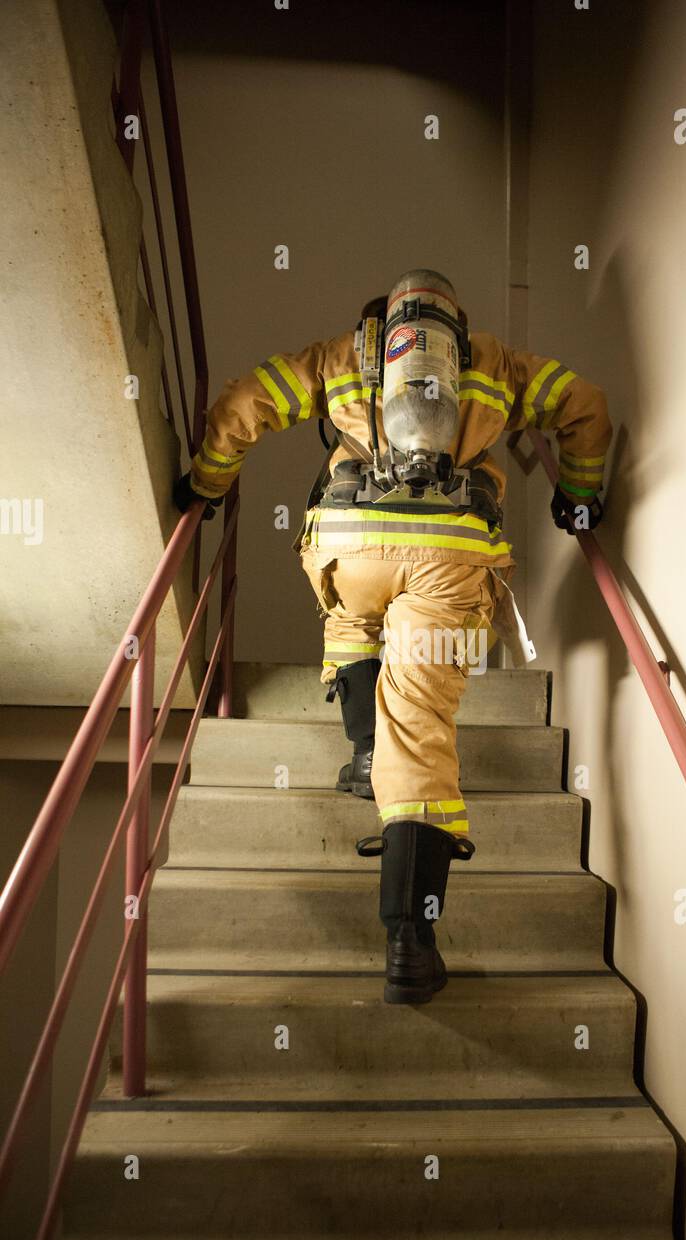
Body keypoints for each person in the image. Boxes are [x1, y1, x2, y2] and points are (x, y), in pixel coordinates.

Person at [174, 269, 611, 1005]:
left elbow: (245, 402)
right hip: (449, 552)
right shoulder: (496, 364)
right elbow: (585, 405)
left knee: (349, 622)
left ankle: (362, 751)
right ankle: (411, 932)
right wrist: (578, 493)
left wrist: (207, 484)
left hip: (353, 543)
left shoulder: (337, 358)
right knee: (421, 722)